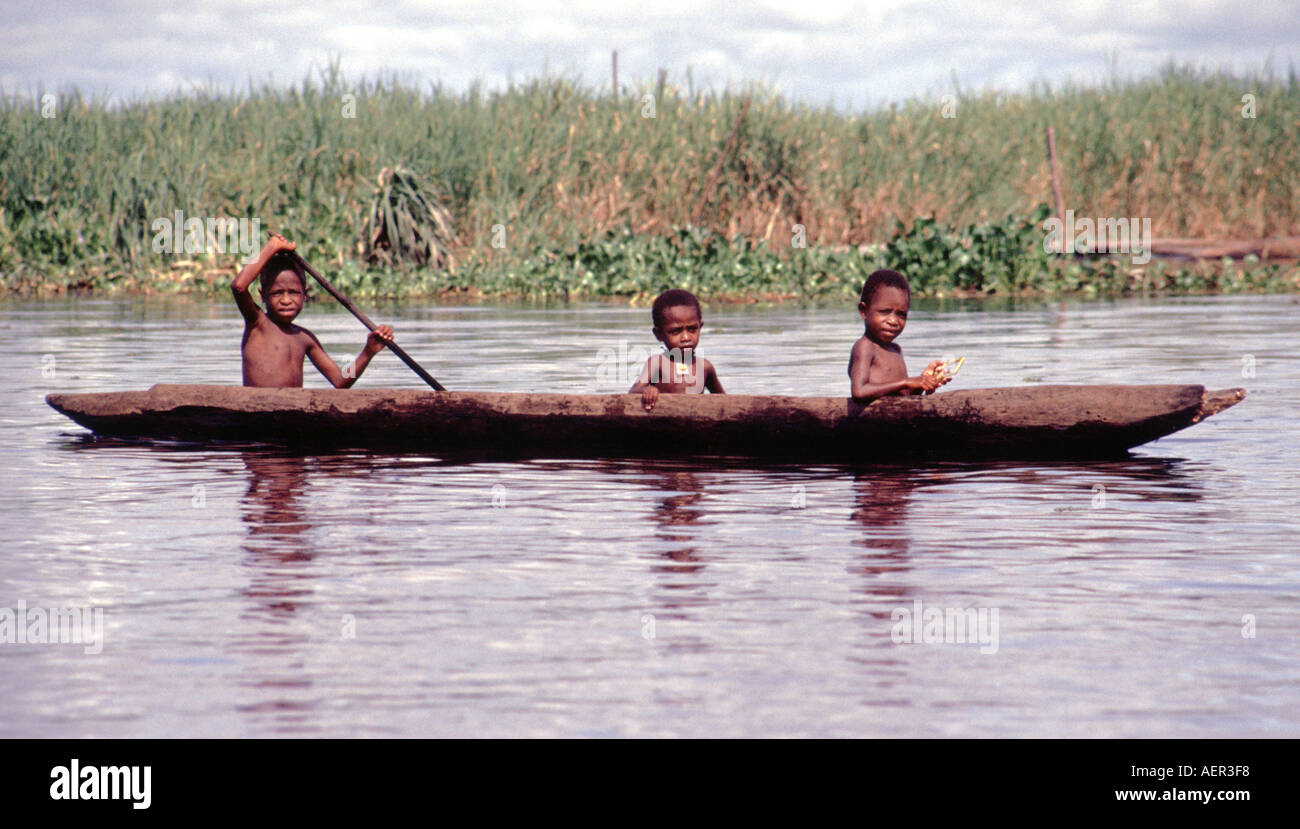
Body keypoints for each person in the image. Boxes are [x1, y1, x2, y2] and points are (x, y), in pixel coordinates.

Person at [232, 233, 393, 388]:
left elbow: (341, 380)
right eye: (277, 293)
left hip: (292, 412)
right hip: (257, 411)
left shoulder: (305, 338)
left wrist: (367, 352)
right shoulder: (257, 323)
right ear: (263, 295)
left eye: (293, 292)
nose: (286, 300)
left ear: (305, 295)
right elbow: (239, 287)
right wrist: (271, 247)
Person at [848, 269, 949, 403]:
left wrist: (923, 381)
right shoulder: (865, 346)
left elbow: (905, 396)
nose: (893, 321)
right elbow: (859, 391)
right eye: (885, 312)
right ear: (863, 311)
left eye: (901, 314)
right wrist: (906, 382)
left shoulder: (896, 350)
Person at [629, 289, 725, 410]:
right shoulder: (657, 363)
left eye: (692, 329)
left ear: (700, 327)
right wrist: (647, 390)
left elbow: (724, 400)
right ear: (658, 334)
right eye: (675, 331)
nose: (685, 338)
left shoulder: (705, 367)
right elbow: (633, 391)